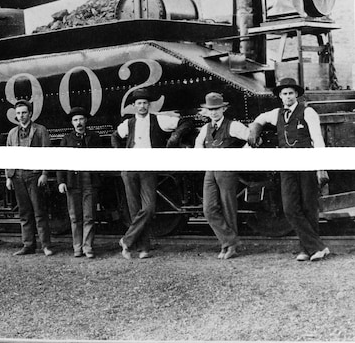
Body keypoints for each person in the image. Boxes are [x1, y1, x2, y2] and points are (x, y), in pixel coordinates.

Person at [249, 78, 330, 262]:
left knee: (309, 206)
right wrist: (254, 128)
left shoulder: (308, 112)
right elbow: (261, 118)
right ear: (280, 96)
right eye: (284, 94)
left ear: (296, 95)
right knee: (290, 207)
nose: (288, 97)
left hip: (306, 162)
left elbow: (318, 140)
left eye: (291, 93)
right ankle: (317, 247)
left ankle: (307, 249)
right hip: (286, 163)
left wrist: (321, 166)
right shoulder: (276, 113)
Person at [112, 87, 192, 259]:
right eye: (139, 103)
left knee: (148, 208)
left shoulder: (159, 120)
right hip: (130, 168)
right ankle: (143, 248)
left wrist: (175, 136)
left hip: (149, 167)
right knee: (134, 210)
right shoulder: (128, 124)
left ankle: (126, 241)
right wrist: (120, 153)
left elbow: (186, 122)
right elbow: (115, 136)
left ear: (149, 105)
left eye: (145, 103)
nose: (142, 106)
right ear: (134, 106)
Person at [194, 92, 250, 260]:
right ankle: (230, 240)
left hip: (227, 169)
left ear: (223, 108)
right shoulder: (206, 128)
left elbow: (253, 139)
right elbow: (198, 145)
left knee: (228, 208)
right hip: (211, 170)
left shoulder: (233, 126)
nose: (214, 112)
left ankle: (229, 247)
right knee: (209, 209)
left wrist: (239, 157)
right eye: (210, 110)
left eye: (217, 109)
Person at [5, 99, 53, 256]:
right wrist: (8, 177)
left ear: (30, 114)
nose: (21, 116)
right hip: (18, 176)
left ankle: (45, 245)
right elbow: (8, 156)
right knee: (24, 213)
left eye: (24, 112)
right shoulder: (12, 133)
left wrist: (45, 173)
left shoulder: (40, 130)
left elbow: (47, 153)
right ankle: (28, 245)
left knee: (39, 212)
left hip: (34, 175)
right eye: (18, 113)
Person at [57, 106, 106, 258]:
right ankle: (77, 247)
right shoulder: (67, 139)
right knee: (75, 217)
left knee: (89, 216)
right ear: (72, 123)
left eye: (81, 119)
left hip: (90, 182)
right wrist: (61, 181)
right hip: (73, 182)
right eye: (75, 120)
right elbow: (60, 162)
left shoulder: (95, 137)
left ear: (86, 120)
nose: (79, 123)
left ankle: (88, 247)